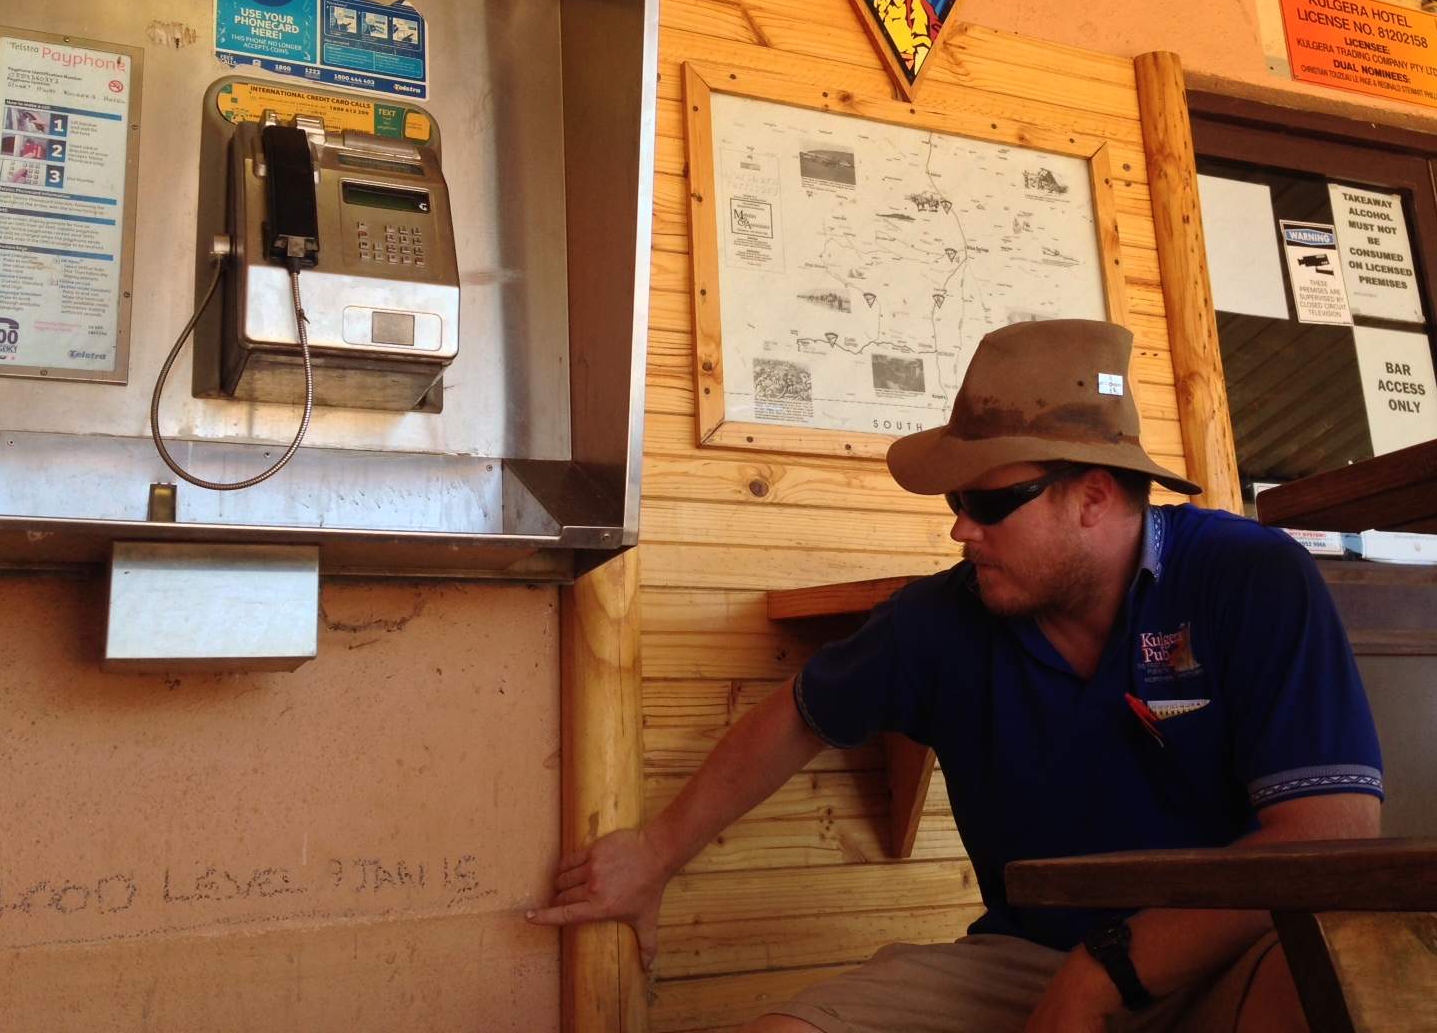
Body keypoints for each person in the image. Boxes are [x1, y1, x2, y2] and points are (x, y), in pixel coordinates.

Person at [530, 319, 1383, 1032]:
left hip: (1226, 951)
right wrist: (655, 852)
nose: (961, 533)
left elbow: (1329, 836)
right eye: (954, 505)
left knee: (1319, 991)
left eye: (987, 504)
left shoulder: (1248, 578)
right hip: (1028, 963)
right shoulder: (944, 618)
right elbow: (800, 713)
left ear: (1091, 496)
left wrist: (1101, 976)